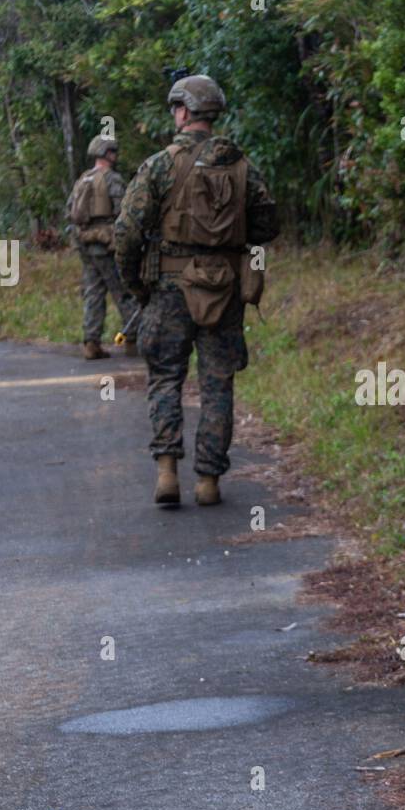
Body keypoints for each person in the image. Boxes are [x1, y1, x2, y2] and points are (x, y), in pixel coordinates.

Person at [113, 75, 278, 507]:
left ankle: (167, 472)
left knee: (165, 378)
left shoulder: (159, 165)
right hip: (223, 290)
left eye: (175, 109)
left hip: (168, 289)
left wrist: (136, 286)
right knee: (217, 383)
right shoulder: (242, 167)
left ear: (184, 112)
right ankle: (208, 480)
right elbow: (267, 226)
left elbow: (126, 233)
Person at [67, 134, 139, 359]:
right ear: (107, 154)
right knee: (124, 292)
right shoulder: (112, 179)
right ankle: (132, 340)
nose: (116, 155)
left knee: (93, 292)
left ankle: (91, 341)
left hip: (85, 243)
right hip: (105, 245)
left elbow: (70, 211)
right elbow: (123, 213)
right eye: (113, 151)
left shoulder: (83, 179)